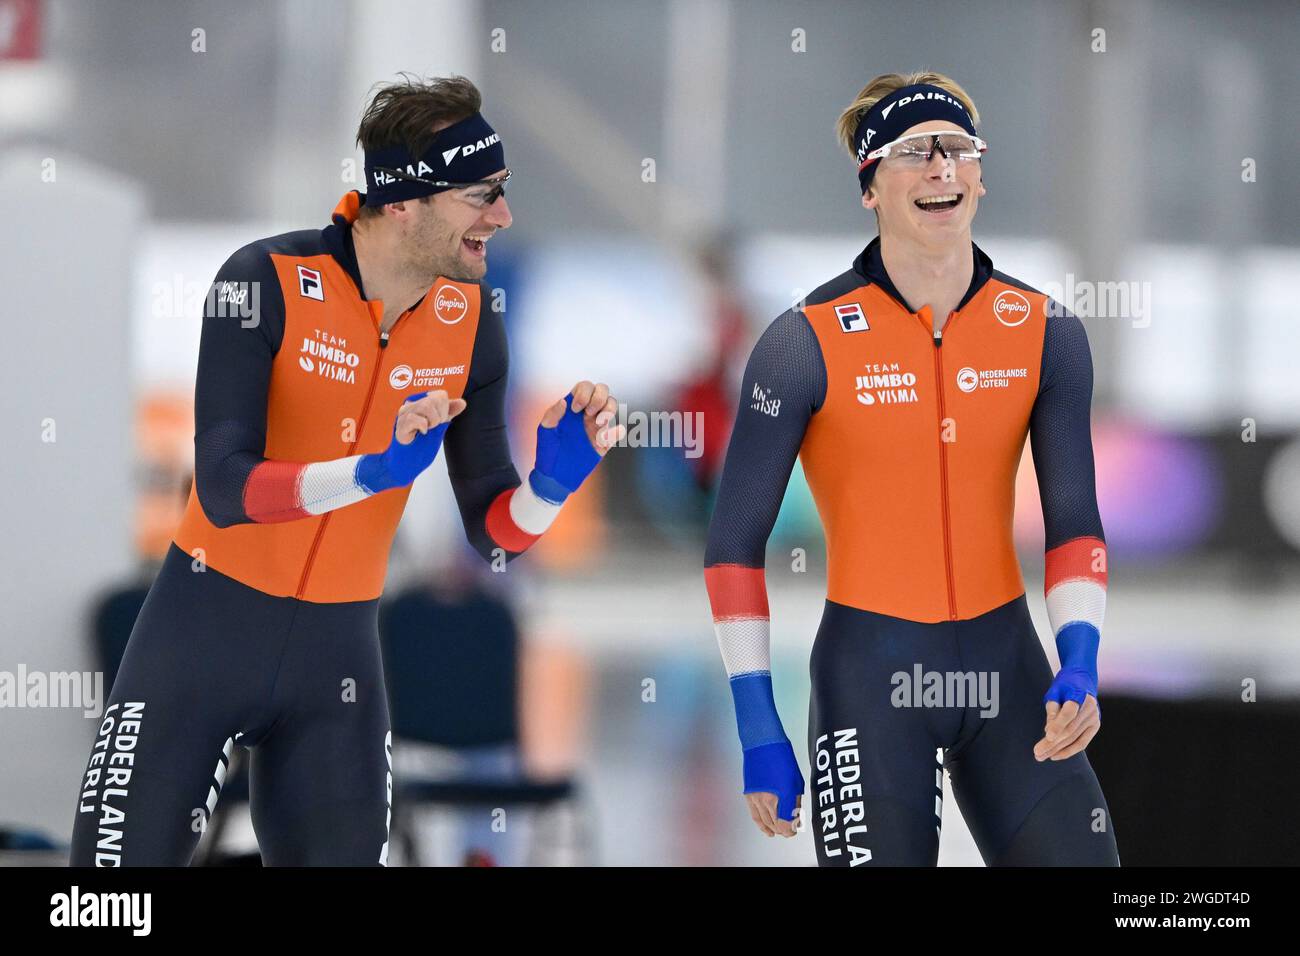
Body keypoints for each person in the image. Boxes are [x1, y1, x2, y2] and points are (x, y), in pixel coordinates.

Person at [70, 74, 623, 866]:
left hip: (338, 658)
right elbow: (224, 487)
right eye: (481, 194)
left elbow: (496, 538)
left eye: (502, 191)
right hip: (201, 632)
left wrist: (548, 488)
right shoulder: (263, 282)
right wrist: (370, 472)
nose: (502, 215)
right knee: (104, 906)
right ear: (403, 203)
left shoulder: (474, 324)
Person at [703, 71, 1119, 866]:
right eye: (911, 153)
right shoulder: (802, 343)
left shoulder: (1045, 332)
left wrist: (1081, 660)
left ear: (981, 175)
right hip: (870, 679)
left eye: (957, 148)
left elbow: (1074, 523)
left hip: (1009, 669)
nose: (940, 168)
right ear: (869, 186)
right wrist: (760, 726)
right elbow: (732, 548)